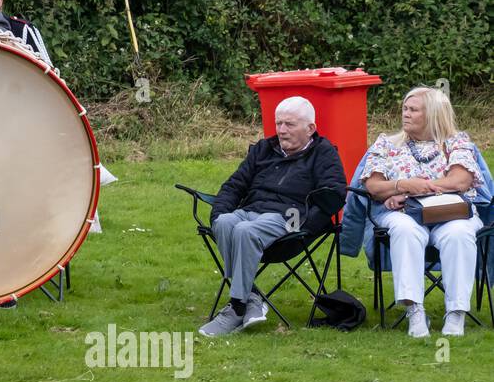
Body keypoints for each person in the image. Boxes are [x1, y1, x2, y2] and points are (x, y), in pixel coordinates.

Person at [199, 96, 346, 337]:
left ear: (310, 128)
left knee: (245, 231)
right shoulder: (264, 149)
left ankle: (236, 308)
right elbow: (235, 185)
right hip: (253, 209)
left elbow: (334, 193)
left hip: (292, 216)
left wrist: (307, 224)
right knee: (225, 223)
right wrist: (218, 212)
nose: (281, 130)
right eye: (278, 124)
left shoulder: (323, 153)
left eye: (289, 124)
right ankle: (252, 297)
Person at [360, 86, 485, 338]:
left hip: (450, 212)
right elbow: (373, 186)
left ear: (433, 115)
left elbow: (460, 181)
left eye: (413, 110)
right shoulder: (386, 143)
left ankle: (456, 313)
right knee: (405, 230)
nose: (405, 114)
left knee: (459, 233)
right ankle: (414, 311)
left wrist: (410, 191)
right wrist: (401, 184)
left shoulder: (456, 142)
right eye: (405, 108)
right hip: (403, 215)